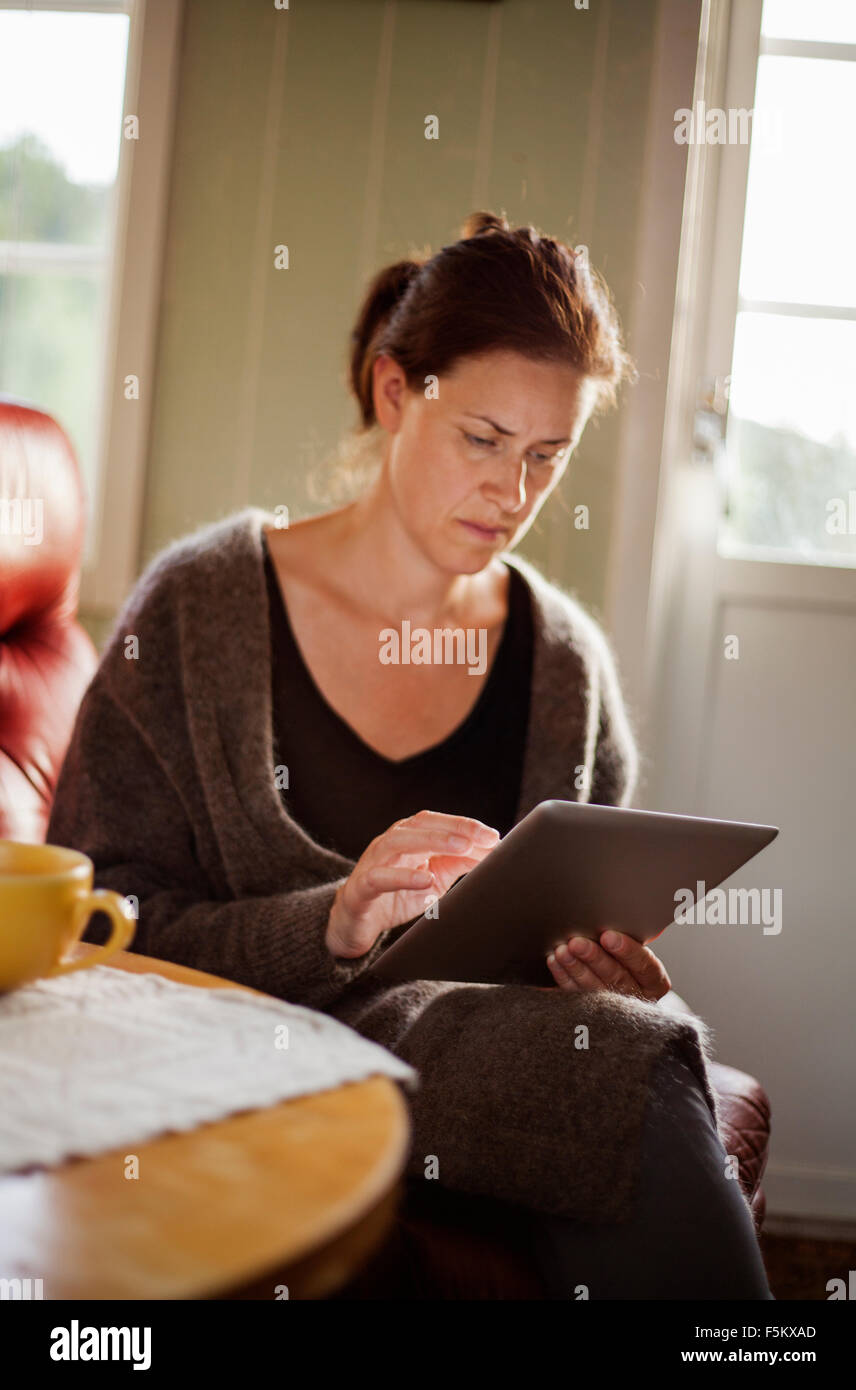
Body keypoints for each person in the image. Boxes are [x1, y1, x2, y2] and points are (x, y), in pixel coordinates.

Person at [47, 211, 772, 1299]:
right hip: (253, 1046)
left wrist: (605, 972)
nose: (511, 493)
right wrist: (328, 922)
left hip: (491, 1061)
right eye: (481, 439)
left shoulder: (564, 664)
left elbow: (565, 942)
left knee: (617, 1043)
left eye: (547, 456)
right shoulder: (200, 611)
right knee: (617, 1077)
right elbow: (101, 918)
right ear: (395, 393)